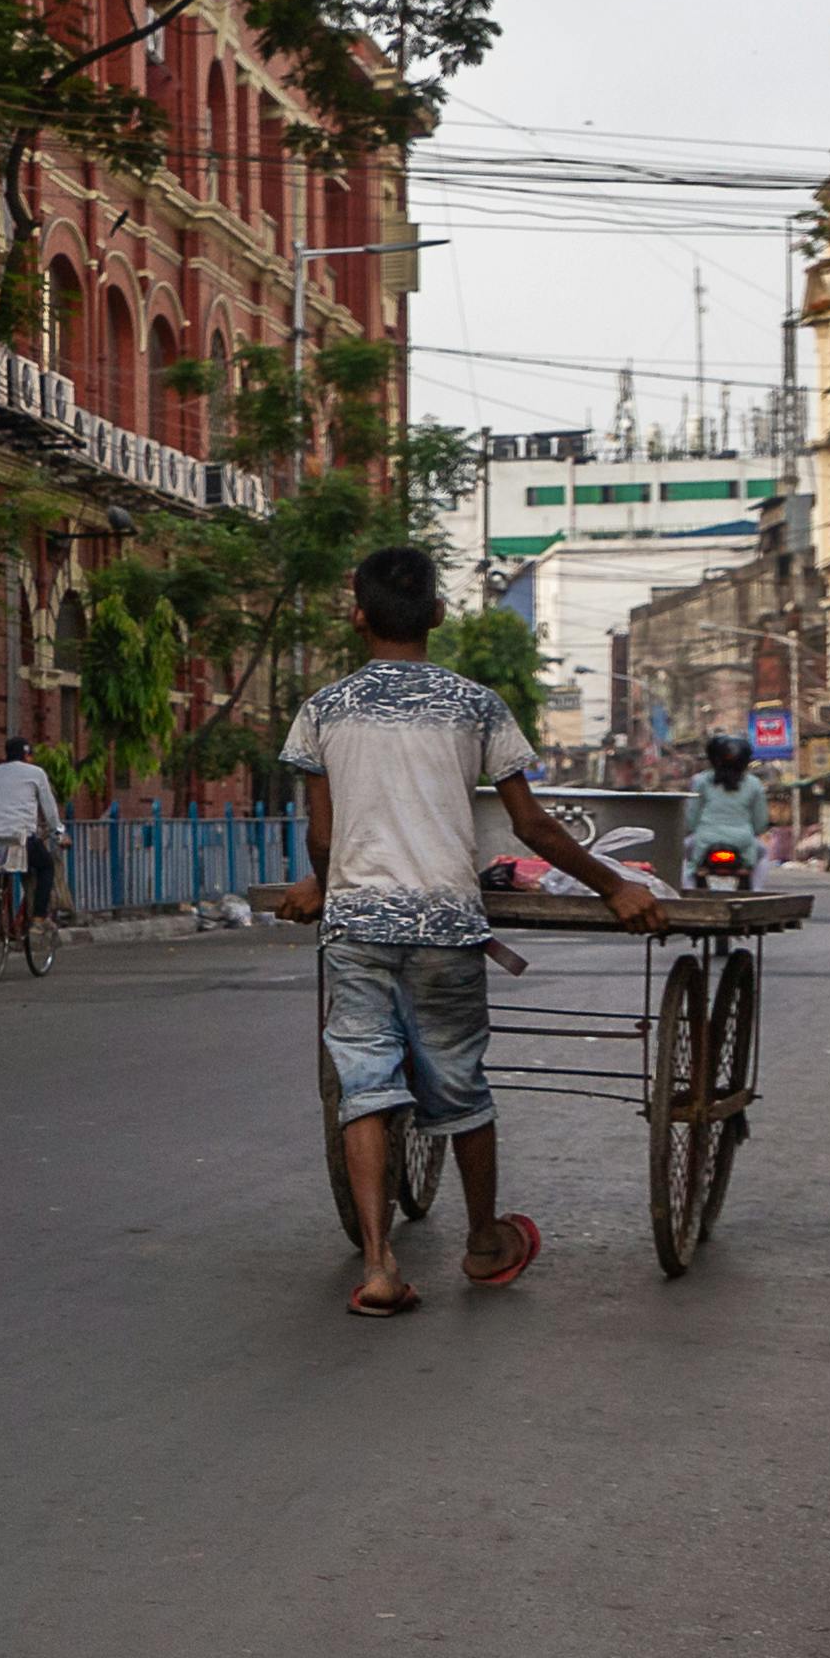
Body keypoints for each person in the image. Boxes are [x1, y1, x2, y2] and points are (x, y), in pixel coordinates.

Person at [257, 545, 660, 1316]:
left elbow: (321, 831)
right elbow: (532, 824)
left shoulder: (324, 708)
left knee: (366, 1087)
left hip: (358, 925)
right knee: (460, 1082)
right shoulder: (476, 705)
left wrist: (324, 880)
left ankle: (379, 1265)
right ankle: (484, 1241)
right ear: (439, 614)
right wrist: (616, 884)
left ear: (358, 616)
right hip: (446, 923)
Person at [0, 735, 64, 950]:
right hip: (20, 838)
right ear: (26, 755)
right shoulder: (36, 773)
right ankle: (39, 918)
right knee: (45, 866)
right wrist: (58, 831)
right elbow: (49, 808)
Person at [685, 732, 773, 887]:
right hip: (743, 842)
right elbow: (760, 824)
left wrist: (692, 831)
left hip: (704, 840)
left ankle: (685, 893)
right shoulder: (754, 784)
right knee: (764, 855)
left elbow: (691, 820)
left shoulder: (701, 781)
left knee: (682, 858)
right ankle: (756, 892)